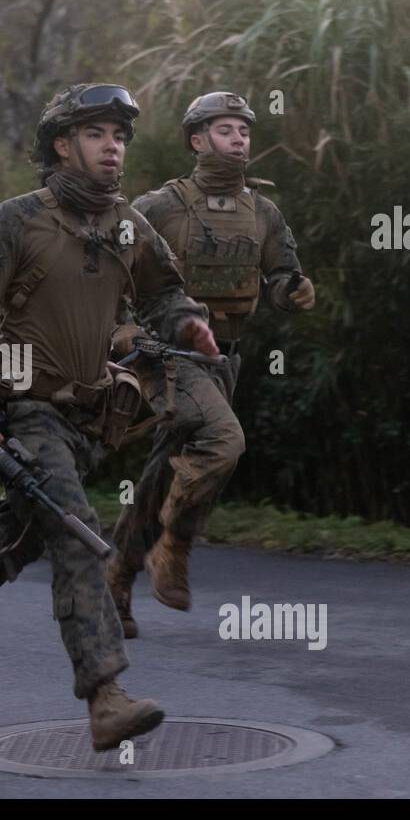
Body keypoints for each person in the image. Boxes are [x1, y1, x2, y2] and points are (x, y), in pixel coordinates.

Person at [0, 84, 217, 751]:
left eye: (120, 137)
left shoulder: (128, 225)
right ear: (63, 144)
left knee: (22, 534)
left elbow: (165, 291)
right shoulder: (11, 222)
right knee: (75, 531)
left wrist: (187, 322)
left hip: (93, 418)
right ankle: (105, 693)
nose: (113, 148)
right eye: (98, 134)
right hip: (26, 410)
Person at [107, 92, 316, 638]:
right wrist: (121, 330)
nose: (239, 140)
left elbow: (279, 277)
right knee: (224, 442)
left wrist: (292, 291)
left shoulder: (264, 211)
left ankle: (115, 577)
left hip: (226, 355)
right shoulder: (161, 205)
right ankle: (172, 546)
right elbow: (111, 266)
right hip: (169, 353)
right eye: (226, 130)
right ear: (198, 140)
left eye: (244, 131)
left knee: (163, 472)